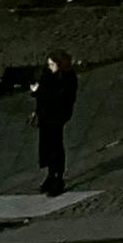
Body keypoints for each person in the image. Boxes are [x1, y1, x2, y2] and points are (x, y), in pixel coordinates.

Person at [31, 50, 80, 197]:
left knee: (56, 146)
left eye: (52, 64)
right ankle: (51, 175)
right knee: (46, 145)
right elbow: (40, 92)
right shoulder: (48, 75)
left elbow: (65, 98)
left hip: (57, 116)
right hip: (45, 115)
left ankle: (58, 177)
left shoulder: (68, 78)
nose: (49, 66)